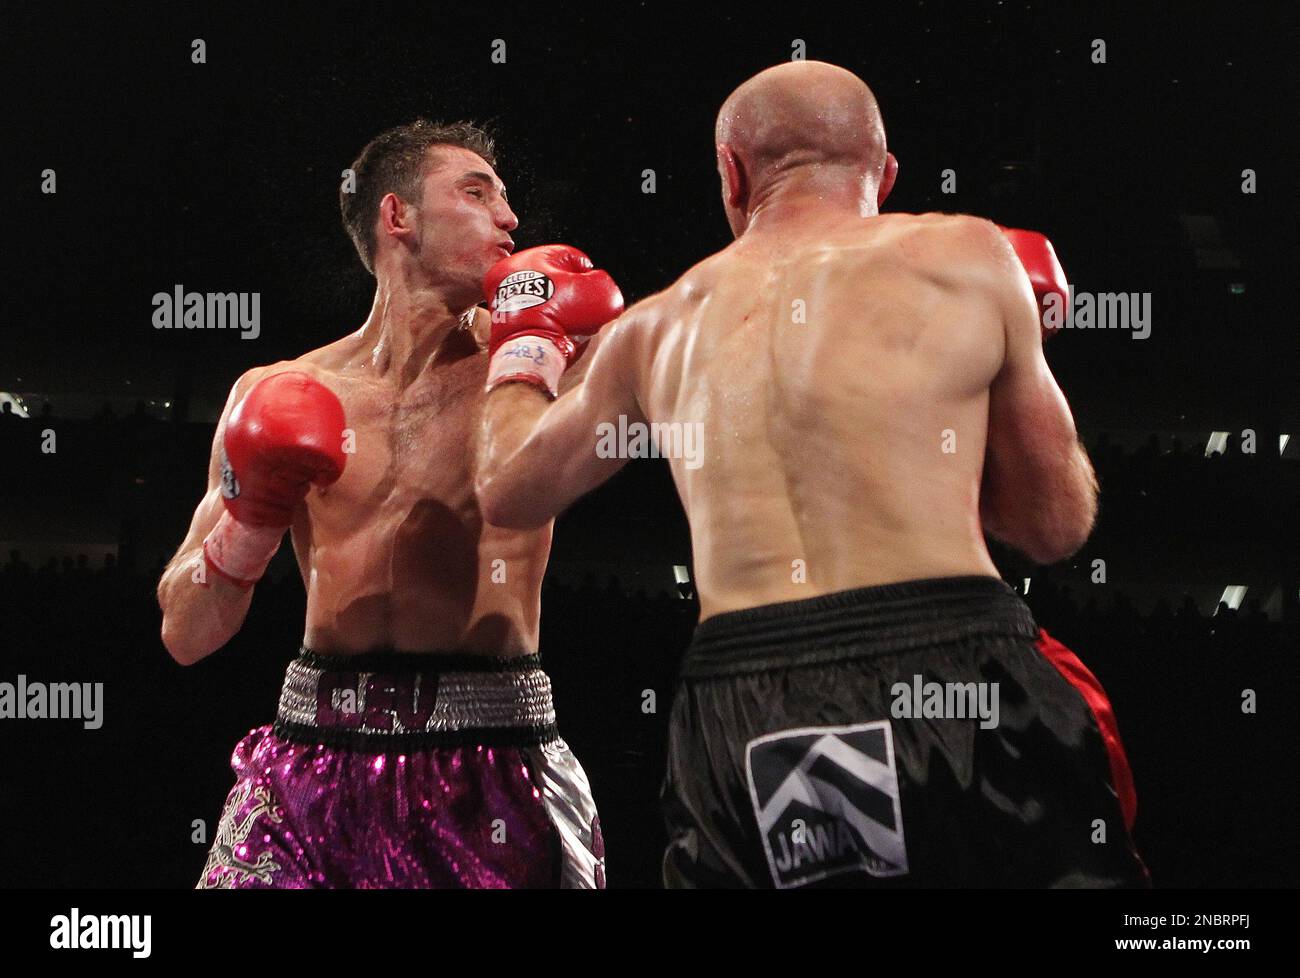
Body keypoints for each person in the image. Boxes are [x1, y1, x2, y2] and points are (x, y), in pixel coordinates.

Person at [475, 62, 1147, 887]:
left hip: (751, 698)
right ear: (886, 174)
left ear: (731, 173)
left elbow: (507, 491)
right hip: (952, 664)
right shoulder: (970, 255)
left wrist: (523, 339)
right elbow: (1053, 525)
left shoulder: (655, 329)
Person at [158, 120, 612, 888]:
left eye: (507, 200)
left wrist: (549, 345)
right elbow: (186, 634)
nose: (509, 219)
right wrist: (251, 518)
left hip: (493, 757)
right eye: (477, 194)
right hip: (306, 761)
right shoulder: (276, 392)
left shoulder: (549, 362)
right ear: (397, 216)